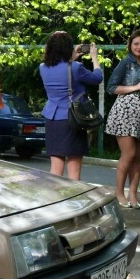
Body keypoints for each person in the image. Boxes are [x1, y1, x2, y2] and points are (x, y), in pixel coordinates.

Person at [39, 31, 103, 180]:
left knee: (55, 168)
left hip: (52, 119)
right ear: (67, 48)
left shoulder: (43, 67)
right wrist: (94, 58)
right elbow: (97, 78)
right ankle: (72, 202)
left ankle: (54, 201)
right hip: (72, 120)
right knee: (73, 170)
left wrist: (73, 57)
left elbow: (62, 69)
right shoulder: (76, 67)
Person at [105, 31, 140, 208]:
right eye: (136, 44)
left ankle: (133, 194)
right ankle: (118, 193)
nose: (139, 47)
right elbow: (111, 87)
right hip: (125, 111)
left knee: (137, 156)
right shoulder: (126, 62)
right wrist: (136, 86)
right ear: (130, 45)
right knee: (128, 154)